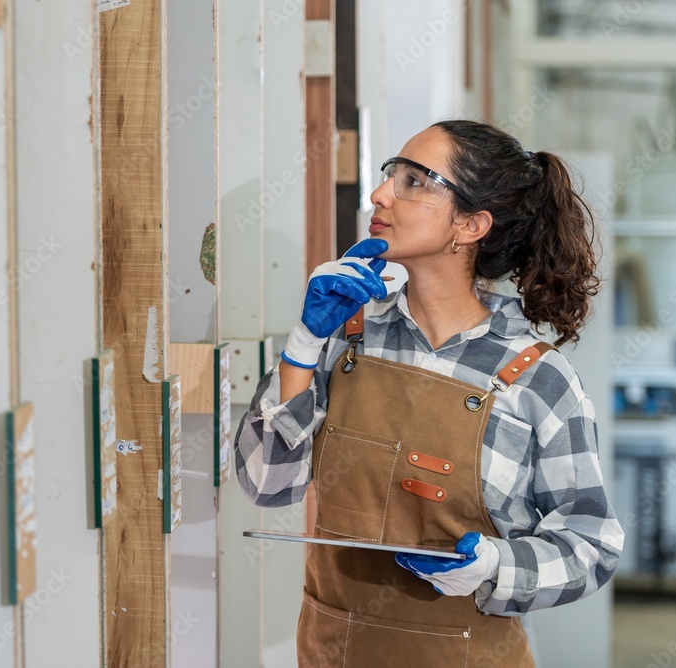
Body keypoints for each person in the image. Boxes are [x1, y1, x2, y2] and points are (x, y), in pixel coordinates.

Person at [234, 120, 624, 667]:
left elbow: (591, 545)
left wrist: (494, 567)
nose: (380, 193)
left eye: (415, 181)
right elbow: (266, 485)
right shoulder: (344, 338)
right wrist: (301, 346)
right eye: (391, 173)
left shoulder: (538, 379)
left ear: (470, 224)